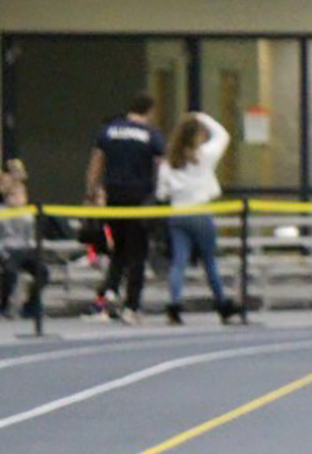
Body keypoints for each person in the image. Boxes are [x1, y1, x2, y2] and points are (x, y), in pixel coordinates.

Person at [84, 93, 166, 323]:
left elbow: (96, 162)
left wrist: (92, 192)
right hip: (140, 199)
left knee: (118, 250)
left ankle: (109, 292)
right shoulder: (151, 135)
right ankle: (132, 305)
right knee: (137, 253)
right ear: (149, 111)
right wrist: (161, 195)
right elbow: (161, 164)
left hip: (114, 197)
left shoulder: (109, 130)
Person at [154, 111, 237, 326]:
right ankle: (221, 303)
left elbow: (161, 194)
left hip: (178, 213)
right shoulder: (204, 156)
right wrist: (203, 117)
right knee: (209, 261)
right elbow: (223, 136)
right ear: (197, 135)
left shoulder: (168, 162)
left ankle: (174, 305)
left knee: (179, 261)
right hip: (200, 211)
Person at [0, 161, 42, 322]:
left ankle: (30, 305)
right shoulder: (2, 212)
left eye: (21, 195)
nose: (18, 198)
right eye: (14, 195)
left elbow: (30, 236)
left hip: (25, 249)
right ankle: (3, 305)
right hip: (7, 248)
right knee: (10, 271)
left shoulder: (27, 213)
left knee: (42, 271)